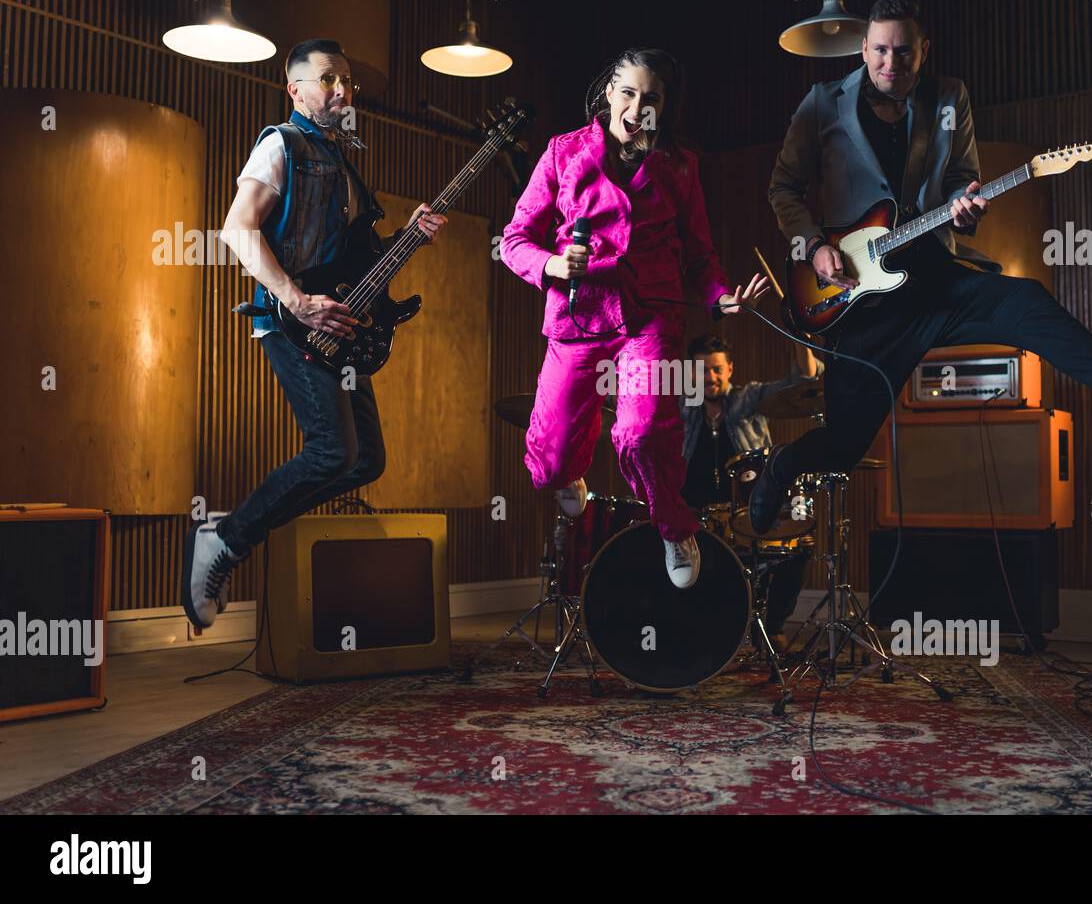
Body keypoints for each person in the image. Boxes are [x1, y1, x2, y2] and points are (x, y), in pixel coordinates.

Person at [749, 0, 1092, 533]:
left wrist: (964, 209)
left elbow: (961, 181)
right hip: (858, 298)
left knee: (1025, 300)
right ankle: (784, 464)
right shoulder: (822, 103)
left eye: (904, 52)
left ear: (923, 51)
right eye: (880, 50)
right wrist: (815, 246)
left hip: (932, 278)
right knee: (841, 447)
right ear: (863, 49)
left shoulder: (949, 98)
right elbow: (784, 189)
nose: (892, 63)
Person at [181, 38, 446, 629]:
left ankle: (242, 530)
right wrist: (296, 300)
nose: (342, 91)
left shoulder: (343, 159)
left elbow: (354, 262)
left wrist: (409, 236)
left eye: (347, 81)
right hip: (293, 322)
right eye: (327, 79)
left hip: (340, 329)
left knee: (365, 460)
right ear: (294, 88)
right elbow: (236, 228)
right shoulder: (282, 143)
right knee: (333, 450)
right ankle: (224, 539)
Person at [500, 47, 770, 589]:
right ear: (608, 93)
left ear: (664, 108)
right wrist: (552, 263)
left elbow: (698, 255)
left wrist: (720, 299)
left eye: (652, 98)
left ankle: (674, 526)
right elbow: (513, 241)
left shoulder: (680, 164)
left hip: (652, 315)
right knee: (549, 463)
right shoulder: (562, 152)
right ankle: (567, 471)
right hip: (578, 314)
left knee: (646, 431)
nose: (637, 106)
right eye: (627, 92)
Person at [681, 334, 821, 649]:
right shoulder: (682, 406)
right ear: (690, 373)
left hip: (750, 511)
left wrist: (800, 337)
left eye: (716, 369)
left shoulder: (750, 398)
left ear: (730, 369)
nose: (710, 377)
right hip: (695, 512)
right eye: (702, 370)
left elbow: (804, 379)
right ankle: (698, 626)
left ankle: (773, 627)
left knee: (801, 544)